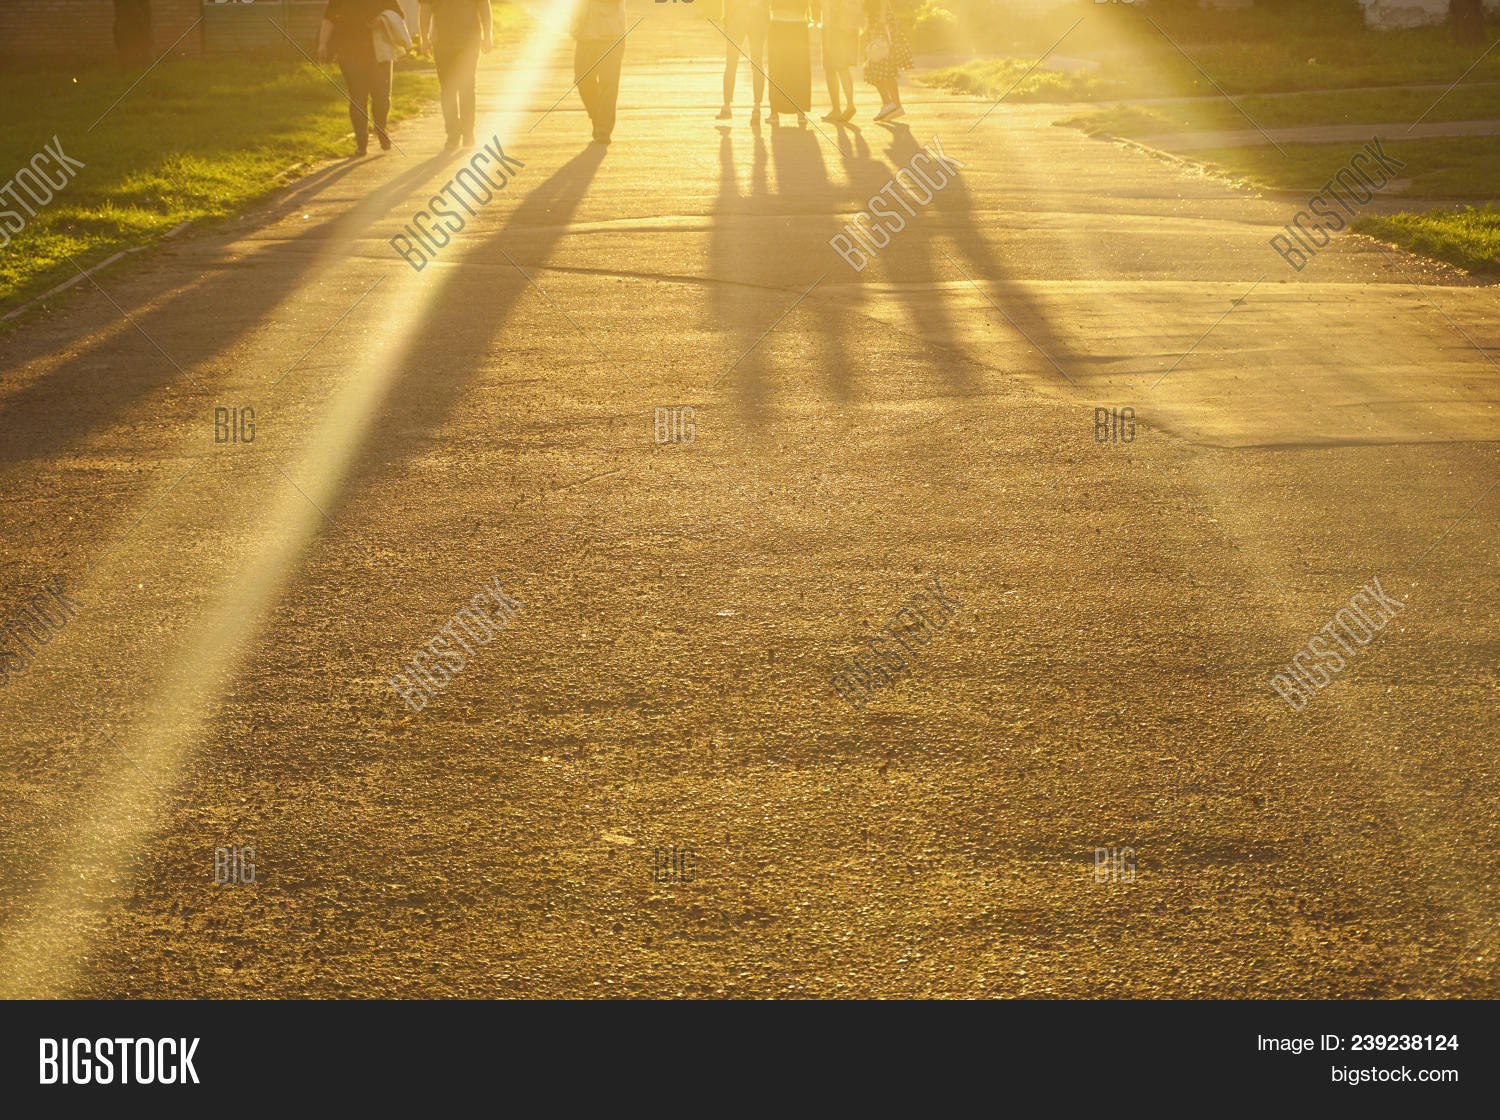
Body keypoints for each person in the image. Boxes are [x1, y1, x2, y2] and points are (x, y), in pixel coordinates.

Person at [318, 0, 404, 156]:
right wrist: (323, 43)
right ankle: (361, 142)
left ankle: (380, 128)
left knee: (382, 95)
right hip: (349, 51)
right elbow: (329, 18)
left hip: (379, 50)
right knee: (358, 97)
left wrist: (382, 20)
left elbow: (397, 15)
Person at [420, 0, 494, 149]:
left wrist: (488, 35)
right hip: (442, 43)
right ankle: (453, 134)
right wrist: (424, 39)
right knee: (448, 90)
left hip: (469, 42)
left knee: (466, 87)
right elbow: (425, 9)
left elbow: (484, 6)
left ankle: (467, 133)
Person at [570, 0, 628, 146]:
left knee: (608, 83)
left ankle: (603, 129)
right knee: (582, 79)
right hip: (584, 33)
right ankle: (598, 118)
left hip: (611, 35)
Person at [717, 0, 769, 122]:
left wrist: (726, 19)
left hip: (737, 17)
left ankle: (727, 106)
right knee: (757, 63)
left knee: (731, 63)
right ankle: (757, 107)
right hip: (757, 18)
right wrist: (766, 18)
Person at [862, 0, 911, 122]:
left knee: (876, 61)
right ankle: (895, 105)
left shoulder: (880, 16)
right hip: (878, 18)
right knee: (885, 63)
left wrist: (882, 18)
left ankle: (888, 103)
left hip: (879, 20)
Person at [818, 0, 859, 121]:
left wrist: (827, 37)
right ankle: (849, 104)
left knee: (831, 69)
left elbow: (828, 9)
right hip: (845, 26)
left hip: (833, 27)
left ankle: (838, 109)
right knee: (842, 67)